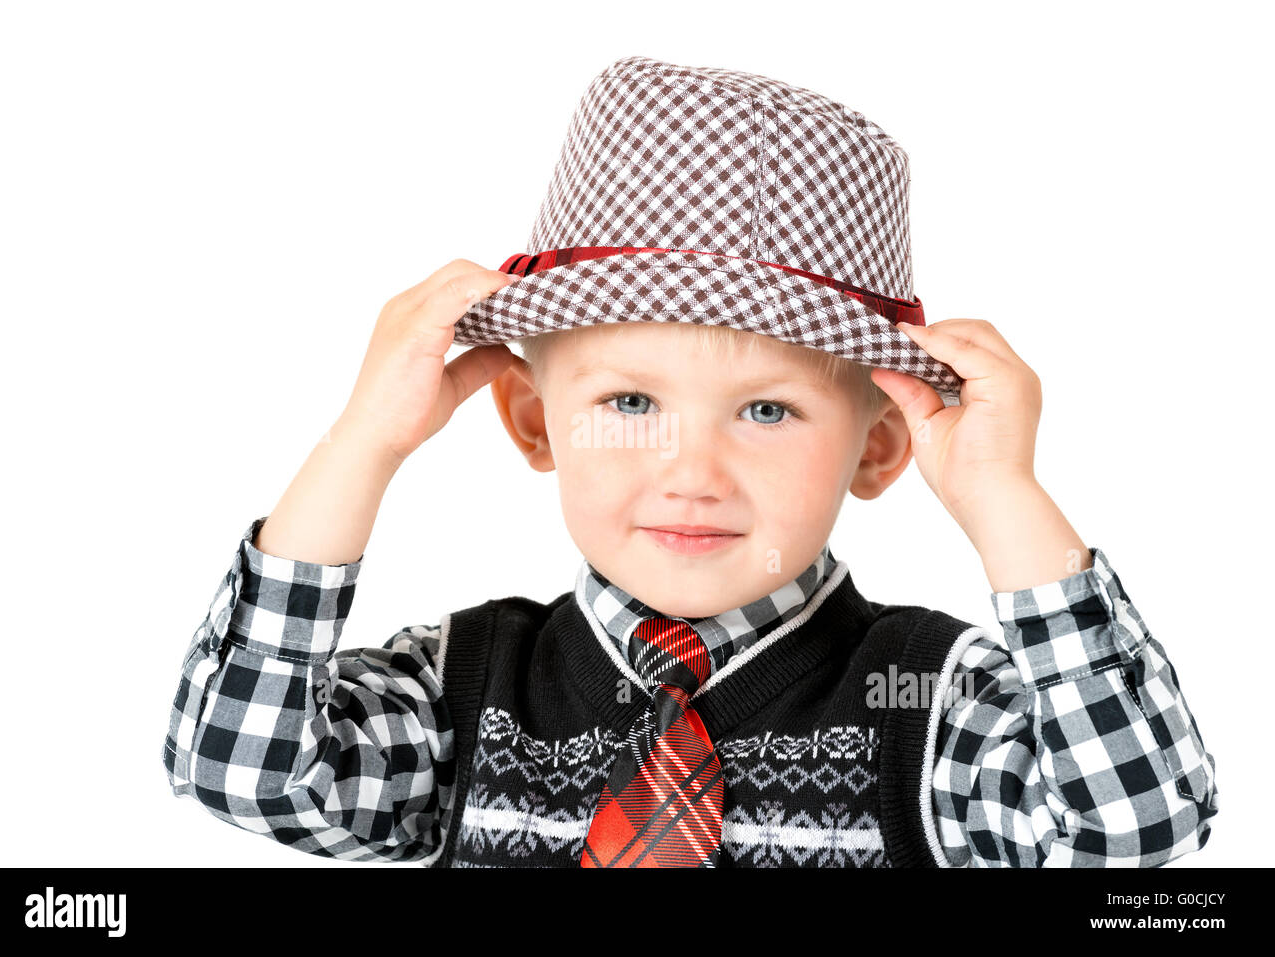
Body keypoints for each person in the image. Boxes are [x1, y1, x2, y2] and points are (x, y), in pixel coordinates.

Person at [161, 56, 1218, 867]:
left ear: (881, 445)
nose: (694, 471)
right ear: (533, 424)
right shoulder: (466, 689)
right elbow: (243, 771)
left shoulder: (925, 700)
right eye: (628, 401)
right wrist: (361, 448)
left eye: (766, 409)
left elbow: (1131, 828)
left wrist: (1004, 501)